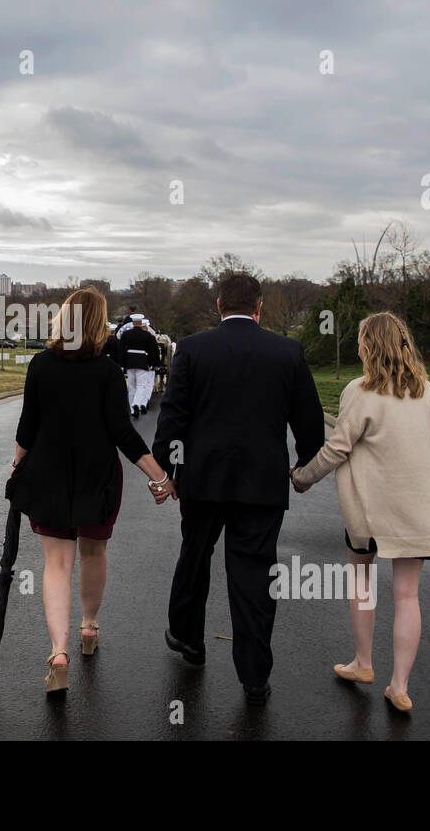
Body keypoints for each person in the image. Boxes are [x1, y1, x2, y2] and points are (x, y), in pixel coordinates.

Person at [151, 271, 325, 705]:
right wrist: (303, 464)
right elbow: (310, 421)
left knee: (195, 555)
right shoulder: (287, 351)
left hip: (201, 479)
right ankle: (254, 674)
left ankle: (189, 639)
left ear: (218, 305)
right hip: (261, 483)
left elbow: (173, 418)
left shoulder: (192, 349)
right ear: (259, 307)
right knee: (252, 573)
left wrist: (169, 470)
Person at [11, 287, 174, 694]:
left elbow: (27, 427)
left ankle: (58, 652)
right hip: (97, 475)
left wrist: (16, 468)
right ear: (98, 324)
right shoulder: (105, 371)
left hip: (47, 474)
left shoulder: (41, 366)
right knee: (95, 551)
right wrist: (159, 477)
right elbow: (124, 432)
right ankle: (88, 627)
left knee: (56, 564)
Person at [289, 312, 430, 713]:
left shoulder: (359, 391)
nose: (358, 346)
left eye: (361, 339)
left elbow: (337, 448)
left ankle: (363, 662)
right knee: (408, 595)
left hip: (371, 513)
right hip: (420, 510)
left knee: (362, 581)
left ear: (369, 346)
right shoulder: (424, 390)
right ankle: (399, 686)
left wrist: (303, 477)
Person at [120, 315, 162, 417]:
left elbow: (121, 350)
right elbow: (153, 352)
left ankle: (133, 410)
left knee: (131, 386)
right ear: (140, 323)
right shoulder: (148, 336)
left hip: (129, 362)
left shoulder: (126, 335)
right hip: (142, 362)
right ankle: (136, 404)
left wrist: (122, 364)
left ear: (133, 323)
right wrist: (153, 364)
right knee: (140, 386)